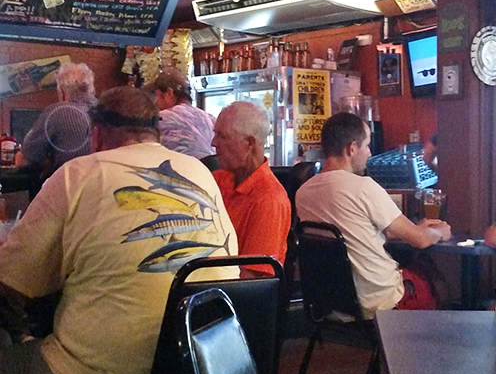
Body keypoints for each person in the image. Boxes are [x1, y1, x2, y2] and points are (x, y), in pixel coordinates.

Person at [0, 87, 237, 374]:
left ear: (99, 133)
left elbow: (14, 281)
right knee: (176, 351)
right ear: (155, 132)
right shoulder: (200, 173)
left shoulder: (77, 175)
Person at [295, 111, 452, 316]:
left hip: (334, 301)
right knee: (432, 277)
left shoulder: (302, 193)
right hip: (380, 301)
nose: (369, 153)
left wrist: (412, 229)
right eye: (367, 145)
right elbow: (420, 240)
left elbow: (351, 231)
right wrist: (440, 230)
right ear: (352, 148)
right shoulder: (363, 187)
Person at [212, 101, 291, 273]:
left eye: (222, 136)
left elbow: (253, 280)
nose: (213, 143)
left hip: (230, 296)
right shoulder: (216, 179)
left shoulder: (269, 200)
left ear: (249, 143)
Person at [17, 61, 97, 176]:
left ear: (61, 90)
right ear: (92, 90)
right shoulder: (108, 111)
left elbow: (24, 160)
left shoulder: (56, 112)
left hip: (69, 187)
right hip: (104, 188)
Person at [152, 67, 217, 167]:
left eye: (158, 95)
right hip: (213, 178)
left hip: (184, 178)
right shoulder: (210, 118)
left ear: (169, 93)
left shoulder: (160, 119)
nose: (156, 102)